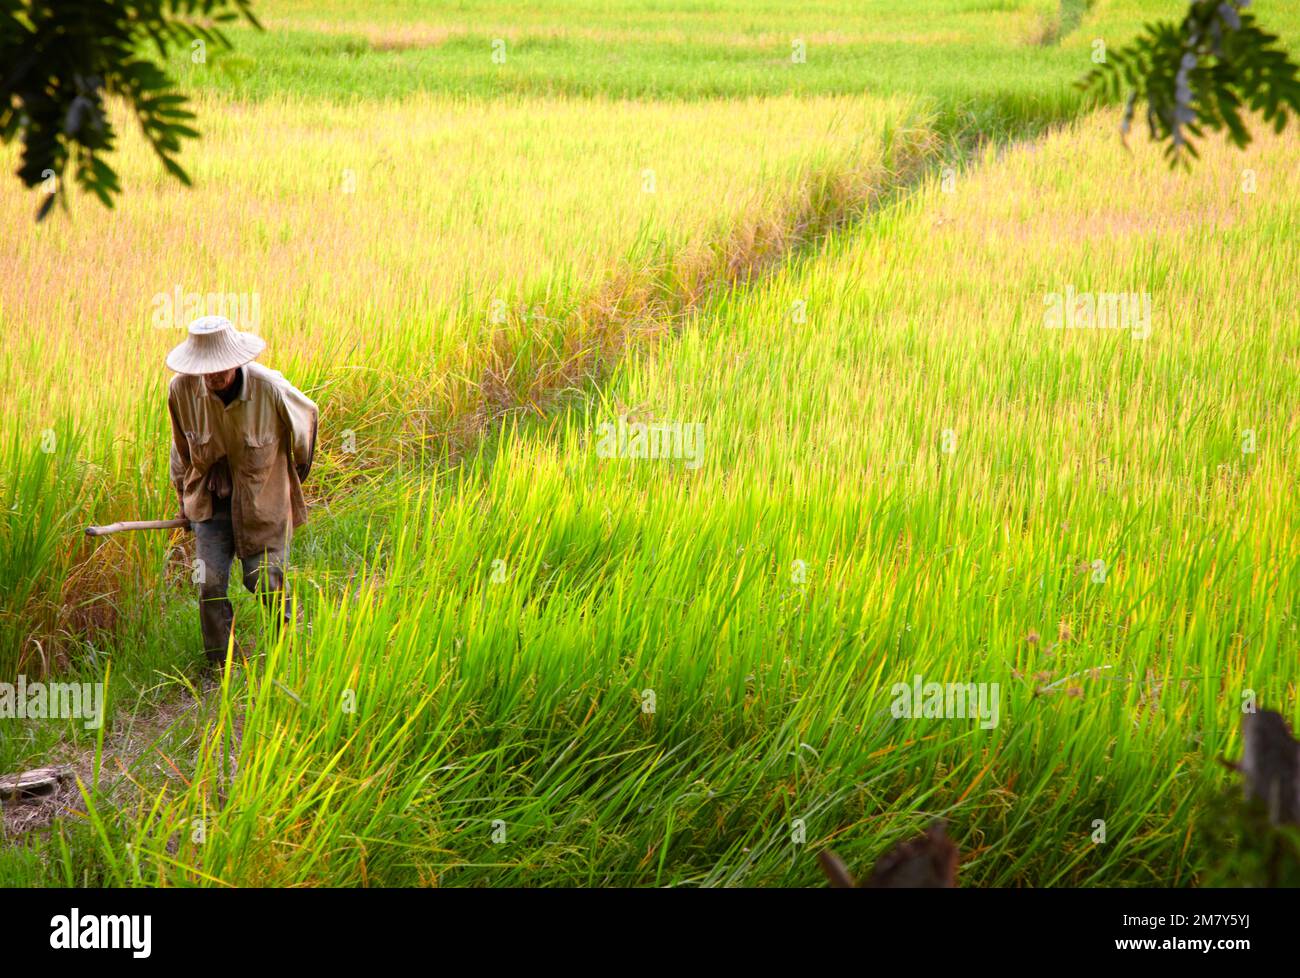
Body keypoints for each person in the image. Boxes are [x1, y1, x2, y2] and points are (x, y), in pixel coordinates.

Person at [165, 315, 318, 665]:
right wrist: (182, 500)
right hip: (210, 503)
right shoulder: (181, 390)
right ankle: (222, 665)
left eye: (221, 368)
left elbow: (306, 423)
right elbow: (181, 449)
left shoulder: (270, 389)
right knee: (209, 584)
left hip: (262, 502)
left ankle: (287, 653)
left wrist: (290, 481)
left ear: (236, 361)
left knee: (264, 580)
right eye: (206, 369)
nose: (213, 376)